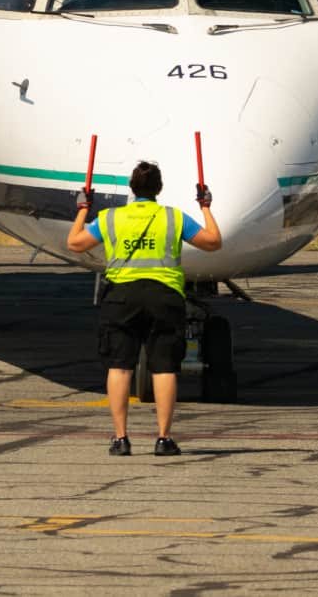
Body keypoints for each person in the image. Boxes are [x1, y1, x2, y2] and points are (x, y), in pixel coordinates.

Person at [66, 160, 222, 456]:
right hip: (164, 296)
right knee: (164, 367)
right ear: (159, 189)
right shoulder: (173, 218)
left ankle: (120, 438)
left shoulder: (112, 218)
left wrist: (83, 209)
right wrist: (205, 206)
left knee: (119, 366)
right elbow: (213, 242)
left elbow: (75, 243)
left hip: (122, 296)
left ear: (132, 188)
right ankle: (164, 438)